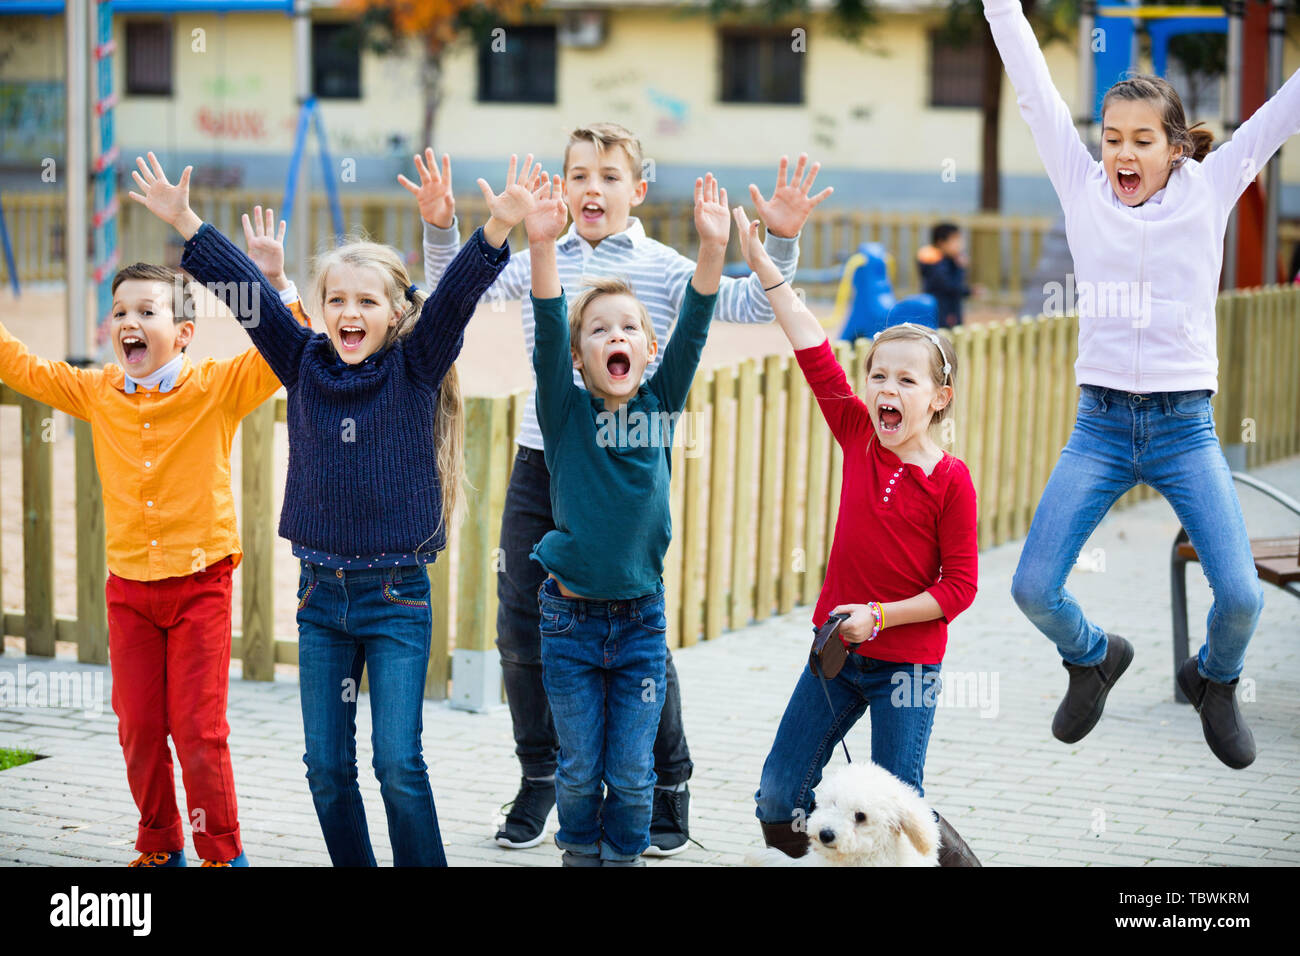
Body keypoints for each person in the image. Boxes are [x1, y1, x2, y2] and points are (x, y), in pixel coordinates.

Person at [404, 126, 831, 855]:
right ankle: (543, 774)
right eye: (578, 175)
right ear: (563, 190)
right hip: (544, 463)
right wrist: (442, 224)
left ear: (637, 189)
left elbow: (746, 309)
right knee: (521, 628)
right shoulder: (546, 249)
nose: (591, 187)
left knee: (636, 631)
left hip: (625, 474)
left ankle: (667, 783)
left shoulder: (664, 267)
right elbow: (456, 292)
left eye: (608, 175)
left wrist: (779, 245)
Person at [129, 150, 536, 864]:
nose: (350, 312)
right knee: (325, 769)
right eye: (338, 300)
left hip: (394, 597)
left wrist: (499, 223)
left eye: (367, 301)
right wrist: (187, 223)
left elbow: (460, 295)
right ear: (321, 310)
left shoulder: (416, 364)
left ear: (396, 313)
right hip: (320, 596)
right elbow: (244, 295)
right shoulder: (304, 360)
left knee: (397, 766)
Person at [983, 0, 1300, 769]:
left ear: (1174, 147)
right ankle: (1093, 656)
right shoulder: (1082, 184)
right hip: (1098, 428)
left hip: (1185, 427)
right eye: (1110, 139)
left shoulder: (1212, 183)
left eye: (1140, 141)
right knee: (1032, 588)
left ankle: (1214, 681)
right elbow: (1029, 83)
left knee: (1243, 598)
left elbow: (1282, 113)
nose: (1120, 154)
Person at [0, 205, 318, 867]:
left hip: (202, 585)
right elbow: (24, 367)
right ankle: (159, 843)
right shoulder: (97, 391)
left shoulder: (217, 388)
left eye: (146, 311)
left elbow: (288, 354)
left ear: (184, 333)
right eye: (119, 312)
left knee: (198, 731)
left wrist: (275, 285)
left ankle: (221, 853)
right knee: (141, 729)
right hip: (129, 592)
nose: (129, 323)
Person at [732, 207, 981, 866]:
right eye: (879, 375)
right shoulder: (859, 435)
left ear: (939, 397)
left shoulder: (951, 481)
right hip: (837, 656)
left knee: (903, 809)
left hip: (909, 666)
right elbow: (813, 347)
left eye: (906, 379)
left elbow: (959, 589)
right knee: (778, 797)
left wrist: (880, 616)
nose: (887, 389)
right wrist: (768, 271)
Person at [524, 170, 725, 865]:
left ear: (647, 351)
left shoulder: (658, 409)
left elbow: (696, 325)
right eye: (600, 331)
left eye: (630, 328)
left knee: (632, 775)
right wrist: (542, 246)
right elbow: (549, 328)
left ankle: (627, 856)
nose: (617, 336)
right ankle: (579, 853)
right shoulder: (566, 413)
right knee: (580, 771)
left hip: (640, 622)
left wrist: (711, 249)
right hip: (570, 625)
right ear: (582, 358)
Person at [917, 222, 972, 328]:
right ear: (941, 242)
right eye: (955, 240)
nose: (959, 244)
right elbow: (948, 286)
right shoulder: (936, 263)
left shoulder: (947, 261)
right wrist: (960, 268)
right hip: (942, 309)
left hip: (949, 307)